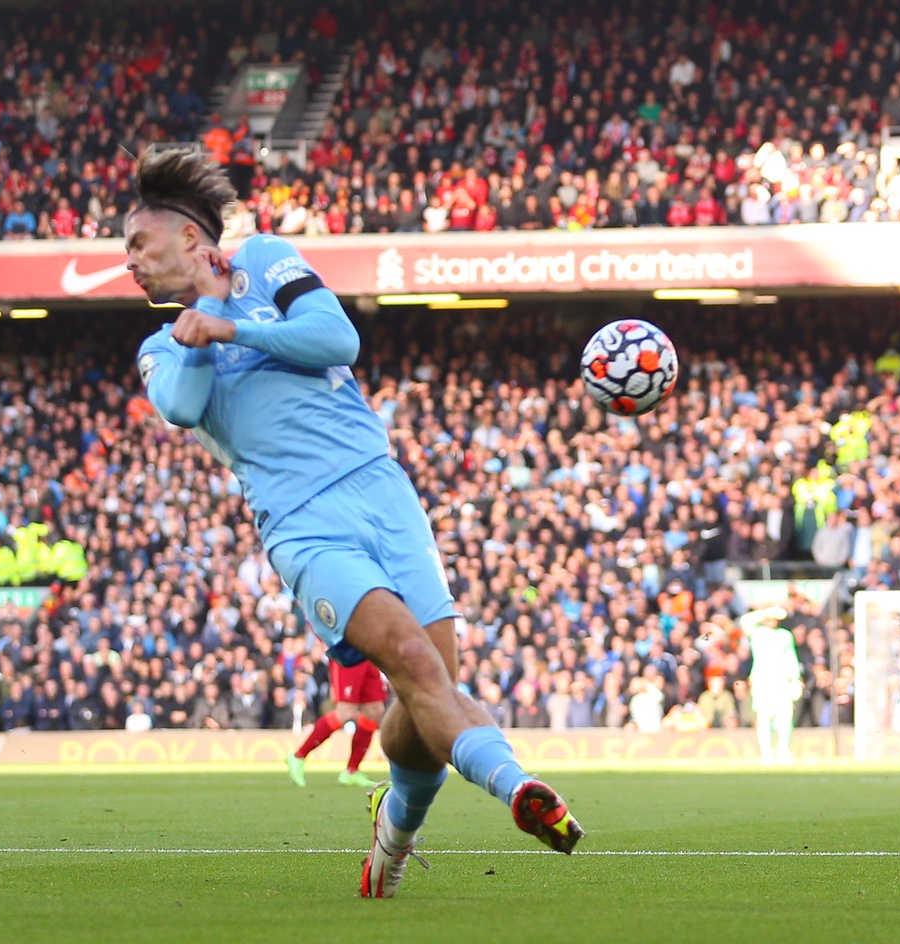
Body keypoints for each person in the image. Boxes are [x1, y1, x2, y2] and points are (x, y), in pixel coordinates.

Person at [122, 145, 582, 900]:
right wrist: (198, 327)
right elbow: (179, 409)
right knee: (412, 659)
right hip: (304, 525)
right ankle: (519, 787)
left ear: (192, 240)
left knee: (423, 701)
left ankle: (392, 833)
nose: (130, 263)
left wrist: (233, 329)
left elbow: (338, 341)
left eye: (139, 244)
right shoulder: (160, 347)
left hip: (383, 492)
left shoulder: (267, 259)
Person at [285, 656, 386, 789]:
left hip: (368, 653)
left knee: (374, 711)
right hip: (348, 652)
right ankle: (298, 756)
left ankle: (352, 770)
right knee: (345, 712)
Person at [739, 605, 803, 765]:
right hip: (762, 680)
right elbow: (745, 621)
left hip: (781, 680)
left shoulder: (785, 635)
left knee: (786, 717)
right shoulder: (757, 633)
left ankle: (783, 749)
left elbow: (791, 657)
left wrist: (795, 678)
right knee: (764, 717)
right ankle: (766, 752)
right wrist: (764, 613)